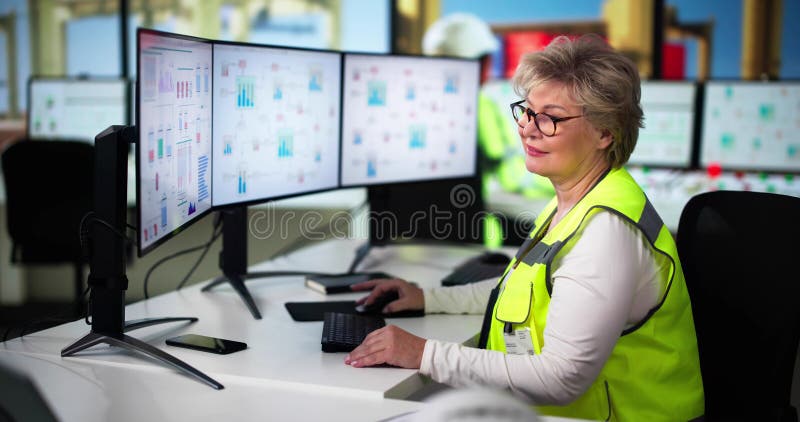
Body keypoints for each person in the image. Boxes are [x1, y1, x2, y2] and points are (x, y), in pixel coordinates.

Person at [346, 34, 705, 421]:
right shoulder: (574, 199)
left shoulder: (606, 231)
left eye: (551, 117)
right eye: (527, 111)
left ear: (606, 132)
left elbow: (560, 378)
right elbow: (527, 294)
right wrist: (430, 298)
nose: (529, 129)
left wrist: (424, 353)